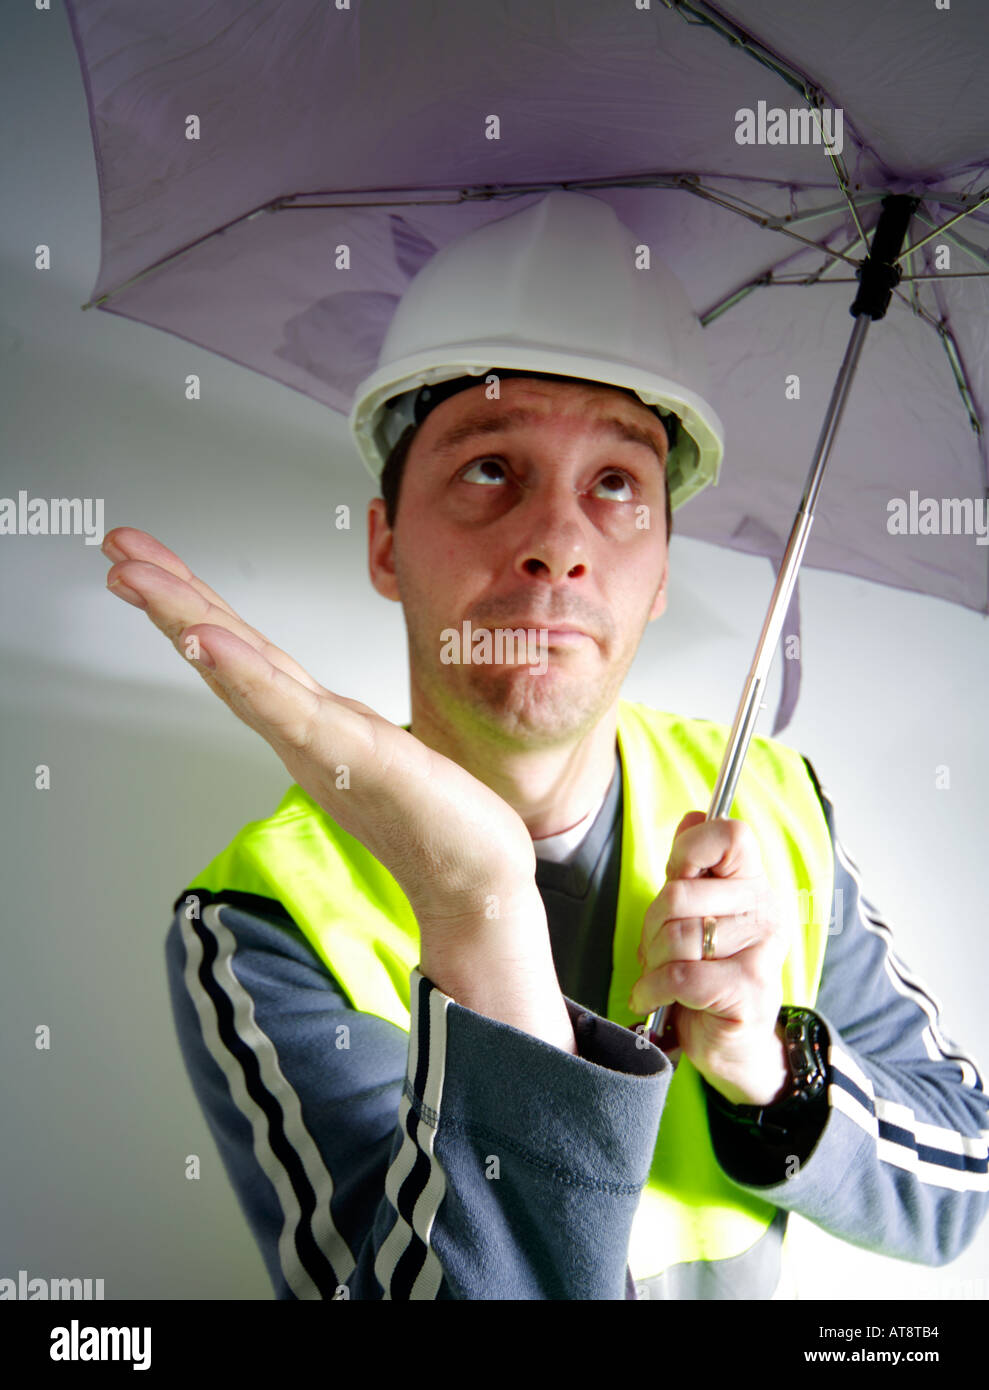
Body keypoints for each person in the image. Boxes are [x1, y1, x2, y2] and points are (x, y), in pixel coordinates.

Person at [105, 193, 988, 1299]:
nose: (557, 546)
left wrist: (770, 1067)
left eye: (615, 484)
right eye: (488, 469)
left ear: (661, 569)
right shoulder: (263, 918)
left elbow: (966, 1176)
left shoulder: (773, 804)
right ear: (385, 544)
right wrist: (478, 914)